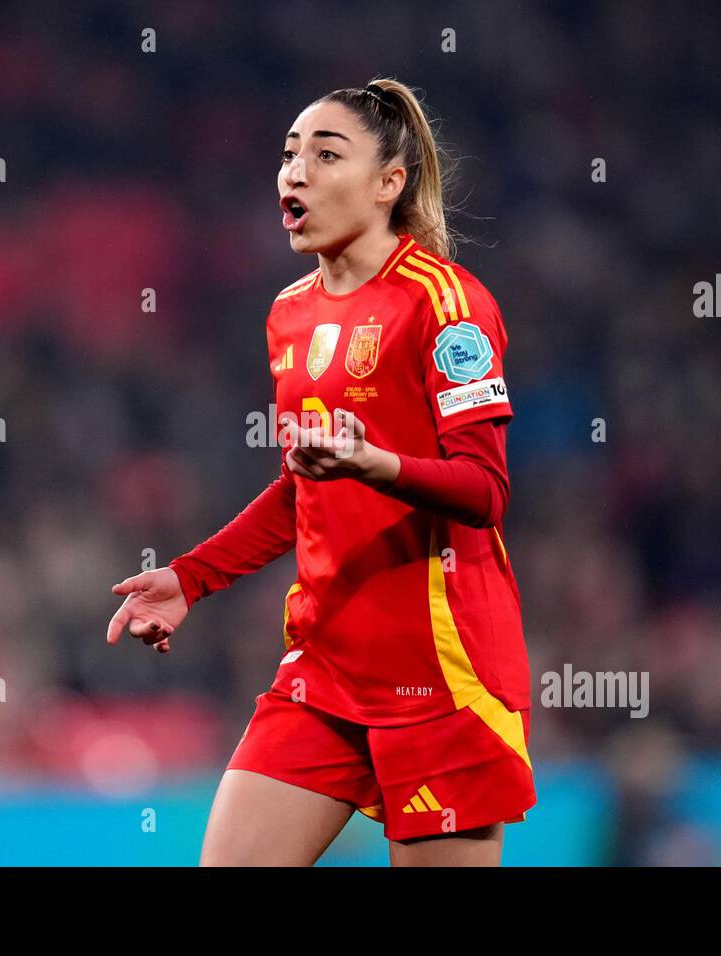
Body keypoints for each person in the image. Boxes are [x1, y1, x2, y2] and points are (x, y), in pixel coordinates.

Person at [107, 78, 533, 866]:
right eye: (289, 154)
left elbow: (485, 491)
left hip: (441, 673)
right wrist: (191, 579)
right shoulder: (290, 313)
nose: (294, 172)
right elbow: (303, 486)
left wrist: (377, 464)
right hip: (326, 667)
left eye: (325, 154)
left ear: (388, 183)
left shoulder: (446, 304)